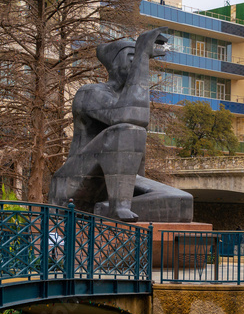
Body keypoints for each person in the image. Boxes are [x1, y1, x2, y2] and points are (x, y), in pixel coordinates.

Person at [48, 28, 193, 223]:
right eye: (131, 56)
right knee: (127, 130)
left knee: (182, 201)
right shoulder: (88, 93)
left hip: (115, 187)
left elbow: (137, 118)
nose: (136, 61)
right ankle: (118, 207)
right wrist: (142, 54)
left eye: (138, 56)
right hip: (74, 181)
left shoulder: (131, 100)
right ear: (114, 64)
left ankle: (104, 209)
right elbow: (128, 117)